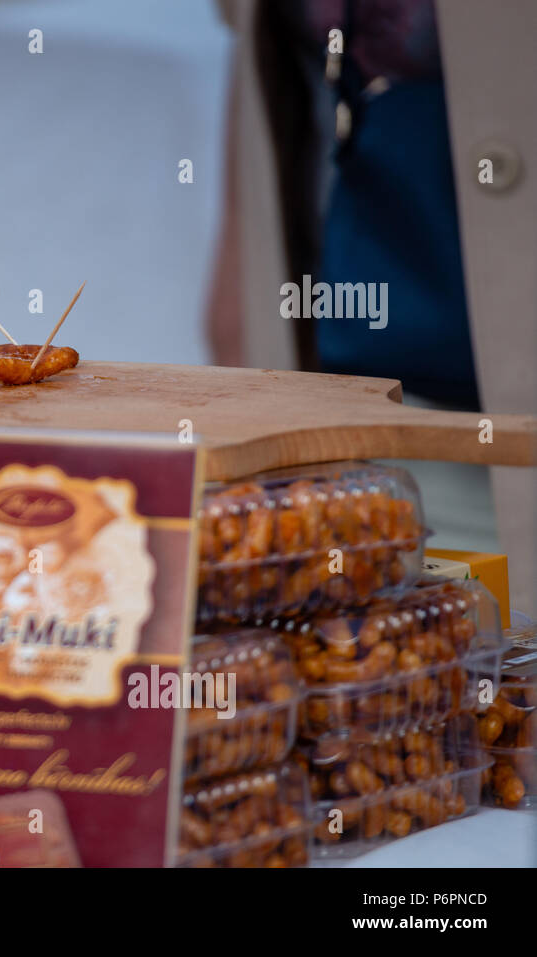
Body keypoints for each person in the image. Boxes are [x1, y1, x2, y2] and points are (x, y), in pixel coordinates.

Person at [211, 0, 537, 612]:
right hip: (366, 436)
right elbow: (269, 80)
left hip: (508, 424)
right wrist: (242, 368)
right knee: (392, 684)